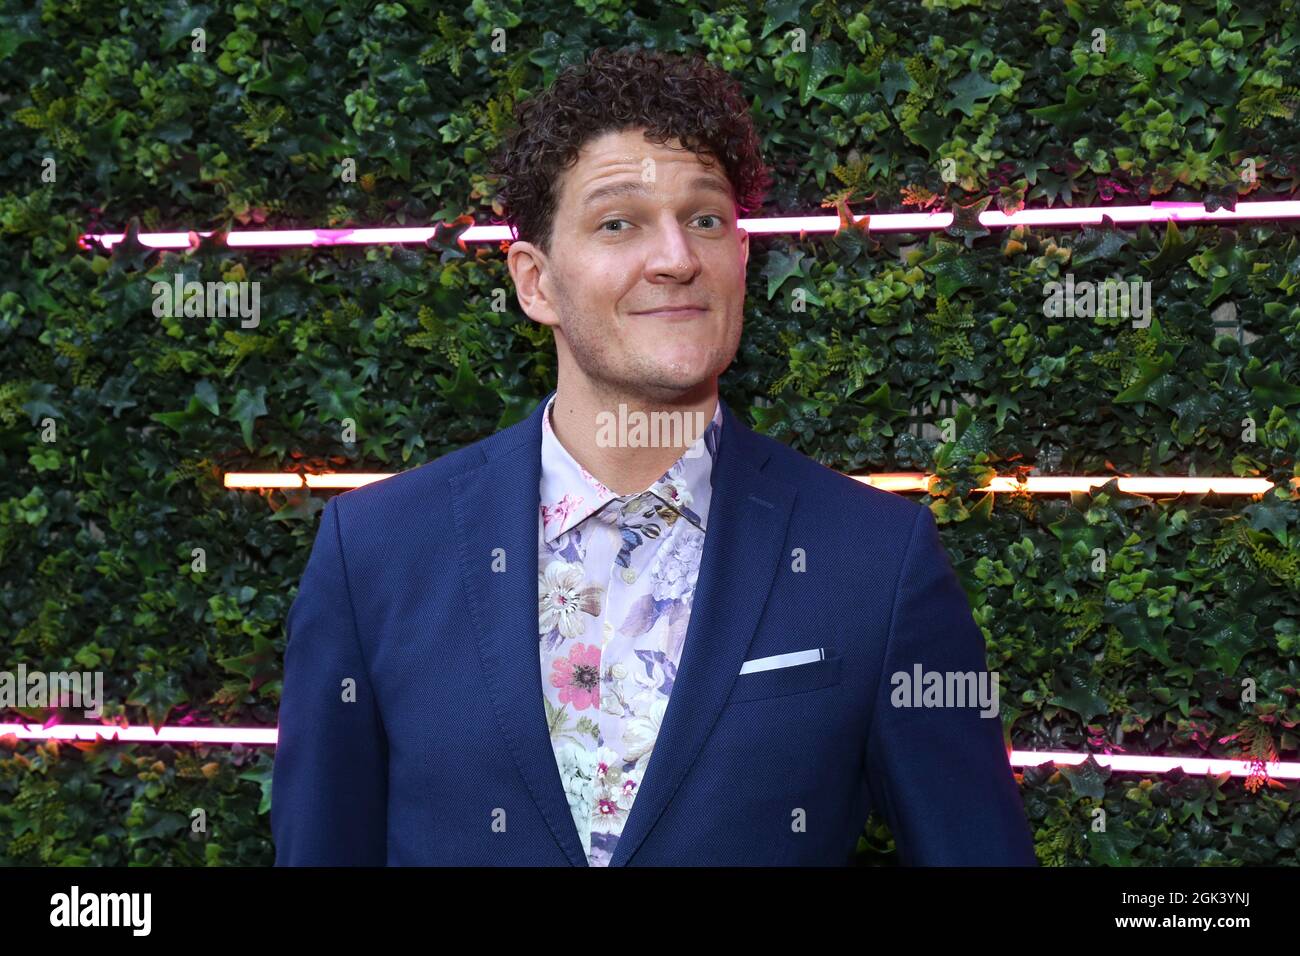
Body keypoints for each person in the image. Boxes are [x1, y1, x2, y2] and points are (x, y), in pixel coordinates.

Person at [271, 46, 1037, 866]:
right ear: (536, 283)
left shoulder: (875, 560)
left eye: (705, 219)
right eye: (618, 222)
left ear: (742, 258)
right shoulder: (377, 552)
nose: (676, 257)